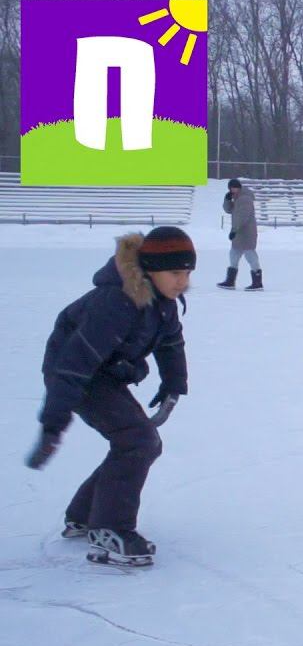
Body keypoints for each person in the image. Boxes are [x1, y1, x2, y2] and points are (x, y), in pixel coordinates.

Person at [25, 227, 195, 567]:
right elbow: (74, 365)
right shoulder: (117, 303)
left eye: (188, 273)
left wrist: (173, 384)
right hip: (74, 373)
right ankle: (108, 528)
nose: (183, 282)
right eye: (175, 272)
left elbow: (171, 343)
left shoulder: (163, 303)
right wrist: (53, 425)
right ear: (151, 269)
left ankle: (85, 514)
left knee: (140, 442)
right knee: (138, 440)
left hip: (106, 373)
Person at [218, 178, 264, 291]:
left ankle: (257, 282)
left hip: (247, 232)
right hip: (239, 232)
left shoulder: (245, 199)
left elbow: (243, 216)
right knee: (234, 254)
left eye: (234, 188)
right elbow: (229, 210)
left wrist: (234, 230)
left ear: (239, 187)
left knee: (250, 255)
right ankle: (230, 281)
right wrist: (227, 200)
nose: (232, 190)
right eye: (231, 188)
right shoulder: (237, 198)